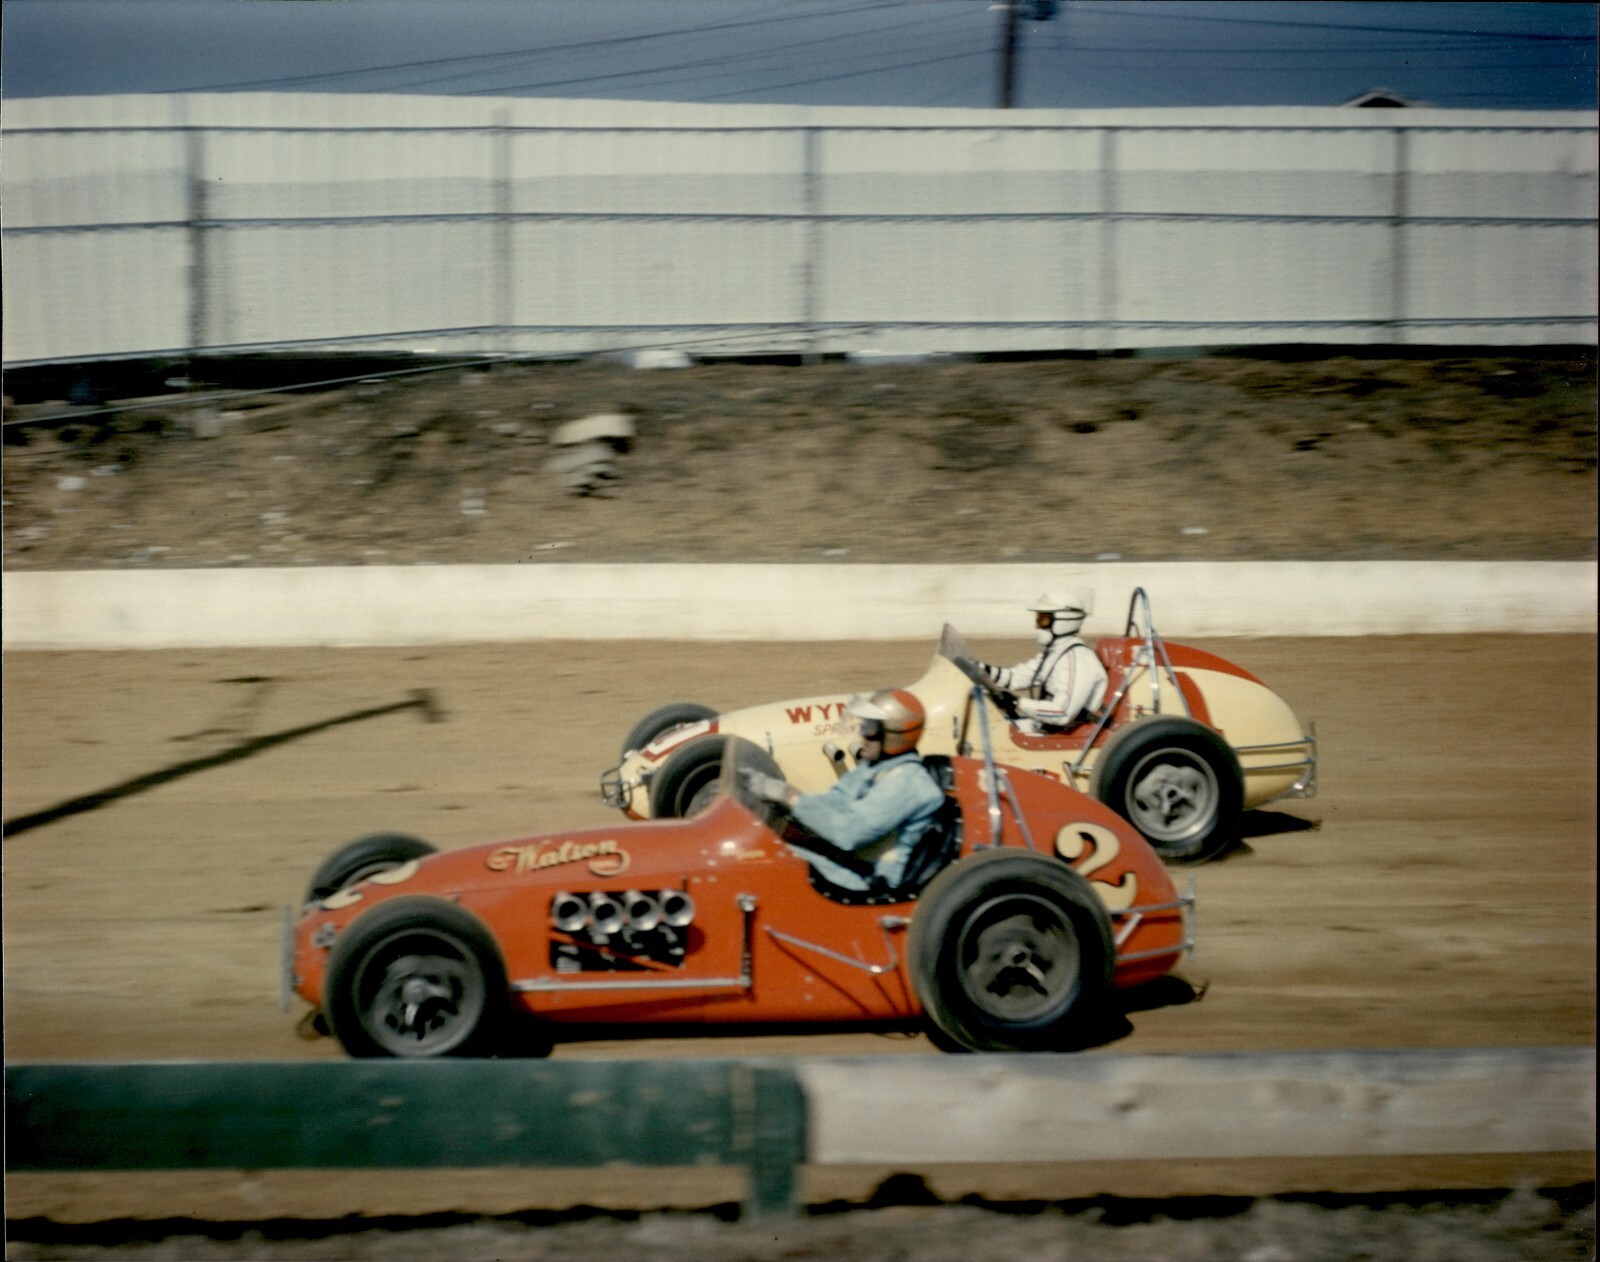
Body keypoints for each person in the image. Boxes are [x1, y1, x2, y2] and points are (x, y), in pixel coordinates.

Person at [740, 688, 945, 892]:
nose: (862, 735)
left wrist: (788, 795)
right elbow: (833, 802)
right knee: (750, 853)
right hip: (846, 863)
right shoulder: (873, 768)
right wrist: (780, 802)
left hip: (868, 881)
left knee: (762, 862)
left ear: (894, 736)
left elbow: (847, 832)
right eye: (864, 725)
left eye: (870, 729)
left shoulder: (909, 783)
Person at [975, 590, 1108, 735]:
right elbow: (1017, 677)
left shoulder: (1078, 659)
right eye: (1038, 619)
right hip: (1048, 726)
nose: (1037, 626)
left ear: (1064, 621)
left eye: (1043, 620)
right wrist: (982, 670)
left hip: (1066, 735)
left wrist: (1017, 703)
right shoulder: (1057, 652)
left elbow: (1062, 714)